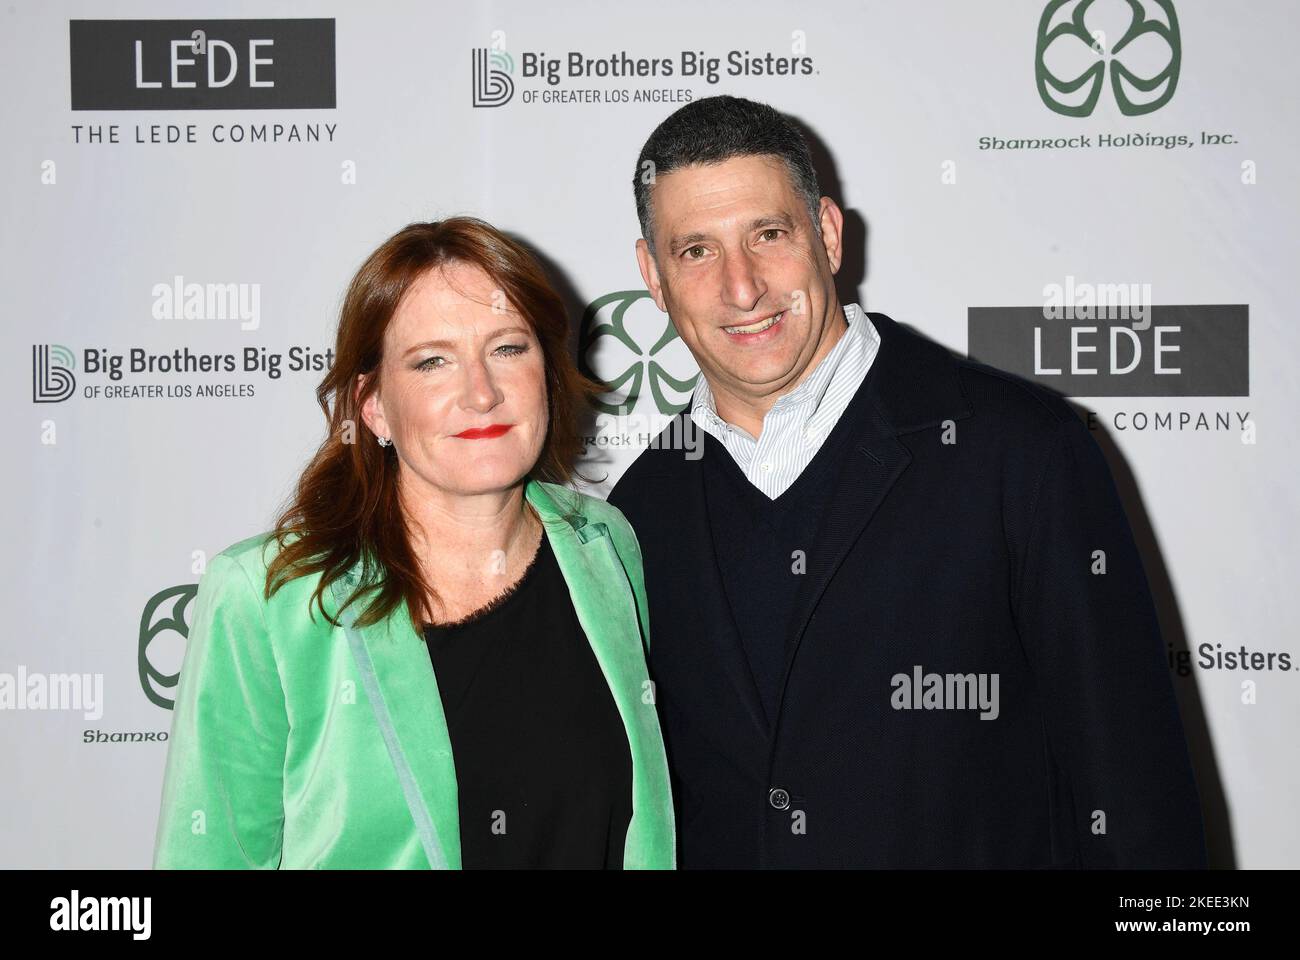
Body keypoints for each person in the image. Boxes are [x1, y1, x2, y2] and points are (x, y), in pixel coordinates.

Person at [608, 94, 1206, 868]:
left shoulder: (1021, 451)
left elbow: (1135, 797)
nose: (742, 287)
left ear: (826, 233)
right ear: (652, 275)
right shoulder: (635, 514)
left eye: (768, 234)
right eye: (696, 251)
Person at [153, 217, 675, 869]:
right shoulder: (267, 600)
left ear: (548, 369)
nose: (481, 393)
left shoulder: (604, 546)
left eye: (509, 348)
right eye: (432, 361)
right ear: (373, 405)